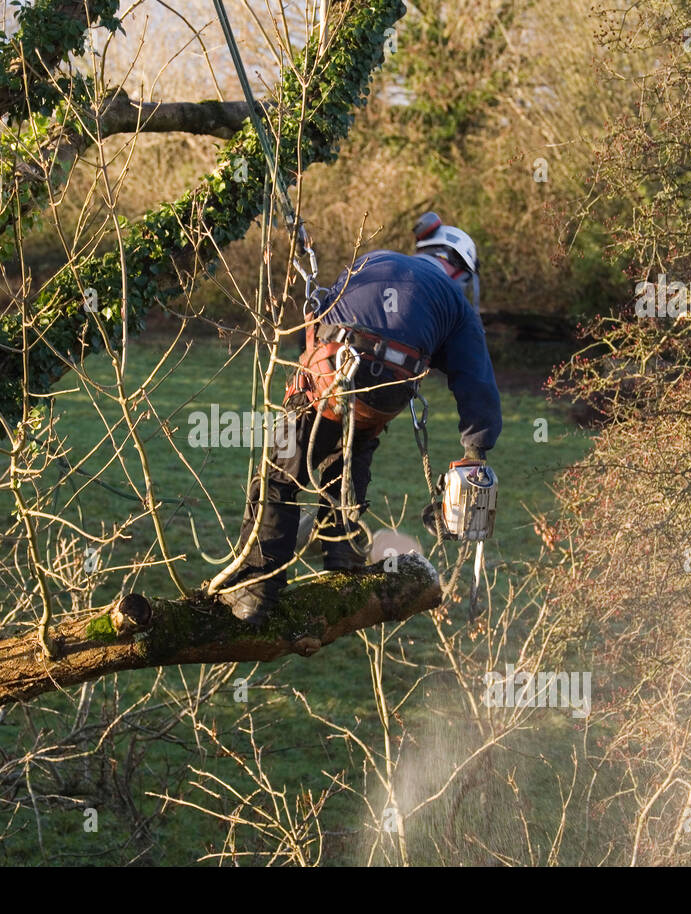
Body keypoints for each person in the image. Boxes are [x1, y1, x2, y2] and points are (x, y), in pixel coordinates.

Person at [214, 213, 502, 624]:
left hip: (330, 365)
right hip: (387, 389)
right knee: (356, 445)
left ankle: (255, 592)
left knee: (281, 474)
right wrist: (476, 448)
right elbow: (476, 380)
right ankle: (341, 550)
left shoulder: (375, 259)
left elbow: (318, 319)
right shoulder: (455, 303)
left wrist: (309, 369)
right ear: (459, 268)